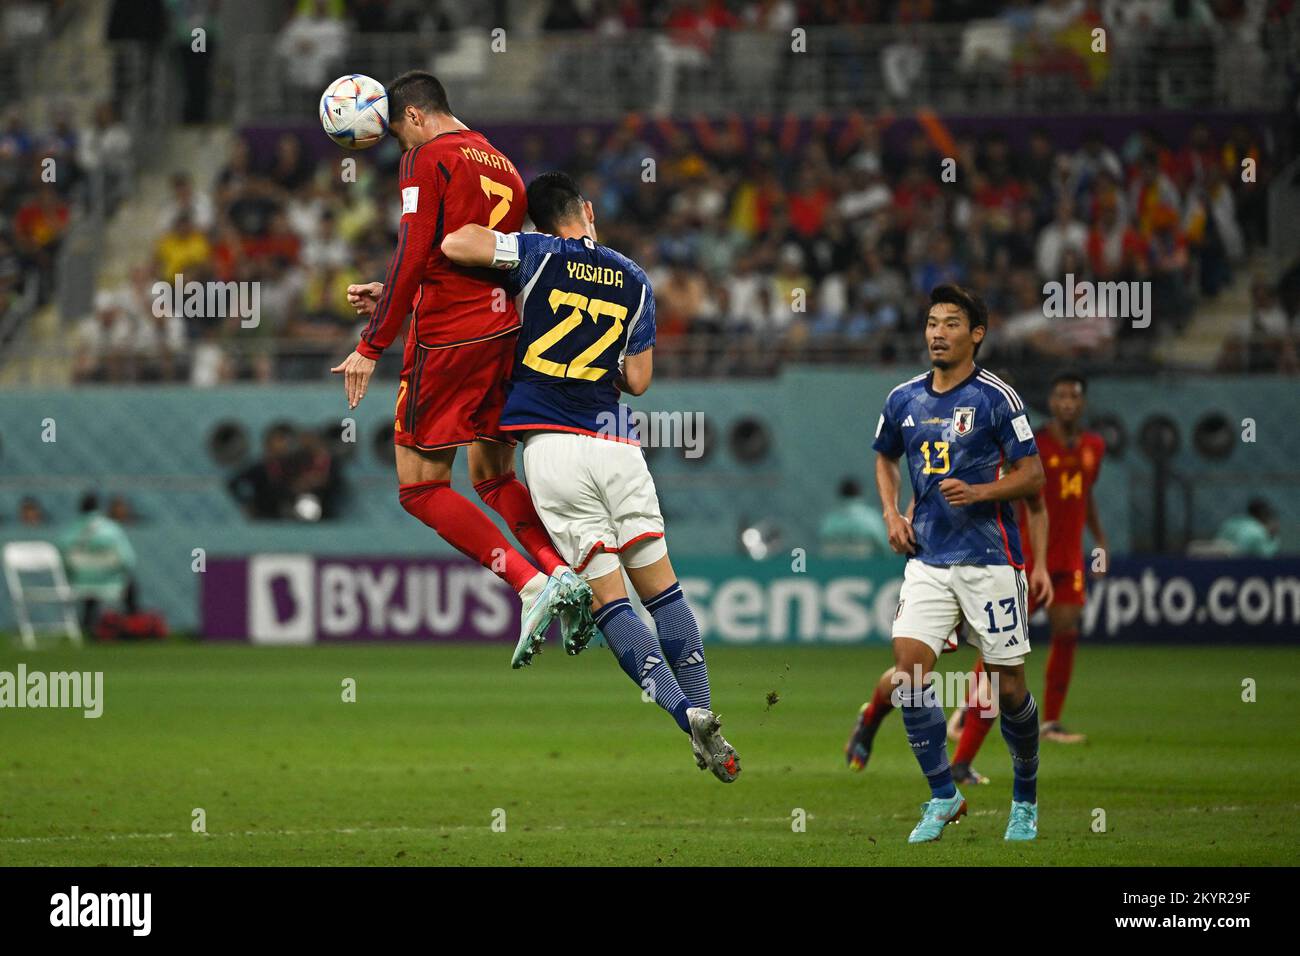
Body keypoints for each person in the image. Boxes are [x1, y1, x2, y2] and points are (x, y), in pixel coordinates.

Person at [438, 171, 740, 783]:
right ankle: (705, 705)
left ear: (537, 221)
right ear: (589, 211)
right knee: (664, 591)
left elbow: (454, 245)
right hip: (618, 448)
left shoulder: (535, 252)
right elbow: (638, 381)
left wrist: (509, 242)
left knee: (610, 602)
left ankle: (685, 717)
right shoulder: (635, 276)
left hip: (552, 450)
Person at [334, 71, 592, 660]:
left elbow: (414, 247)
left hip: (448, 341)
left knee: (419, 488)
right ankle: (561, 571)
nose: (403, 146)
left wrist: (371, 344)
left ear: (417, 117)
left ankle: (532, 586)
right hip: (504, 331)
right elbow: (484, 256)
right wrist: (403, 290)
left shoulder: (427, 157)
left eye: (400, 134)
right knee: (493, 476)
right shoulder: (500, 161)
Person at [871, 284, 1050, 843]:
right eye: (931, 323)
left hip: (991, 561)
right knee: (909, 671)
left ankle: (1025, 797)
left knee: (1010, 689)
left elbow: (1033, 476)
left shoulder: (998, 397)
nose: (937, 333)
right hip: (928, 559)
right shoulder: (903, 399)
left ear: (976, 334)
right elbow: (884, 456)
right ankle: (944, 795)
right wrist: (890, 513)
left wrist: (982, 492)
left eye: (951, 323)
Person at [59, 491, 139, 634]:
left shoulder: (68, 531)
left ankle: (86, 624)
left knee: (90, 588)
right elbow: (128, 560)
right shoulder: (111, 529)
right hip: (110, 583)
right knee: (131, 583)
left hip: (78, 583)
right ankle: (133, 622)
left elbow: (62, 558)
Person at [818, 477, 891, 558]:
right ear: (859, 494)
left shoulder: (830, 521)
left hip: (834, 568)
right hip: (866, 567)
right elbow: (884, 547)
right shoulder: (871, 519)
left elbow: (823, 547)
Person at [1216, 498, 1280, 558]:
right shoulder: (1257, 531)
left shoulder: (1233, 521)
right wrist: (1273, 537)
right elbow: (1267, 555)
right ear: (1264, 514)